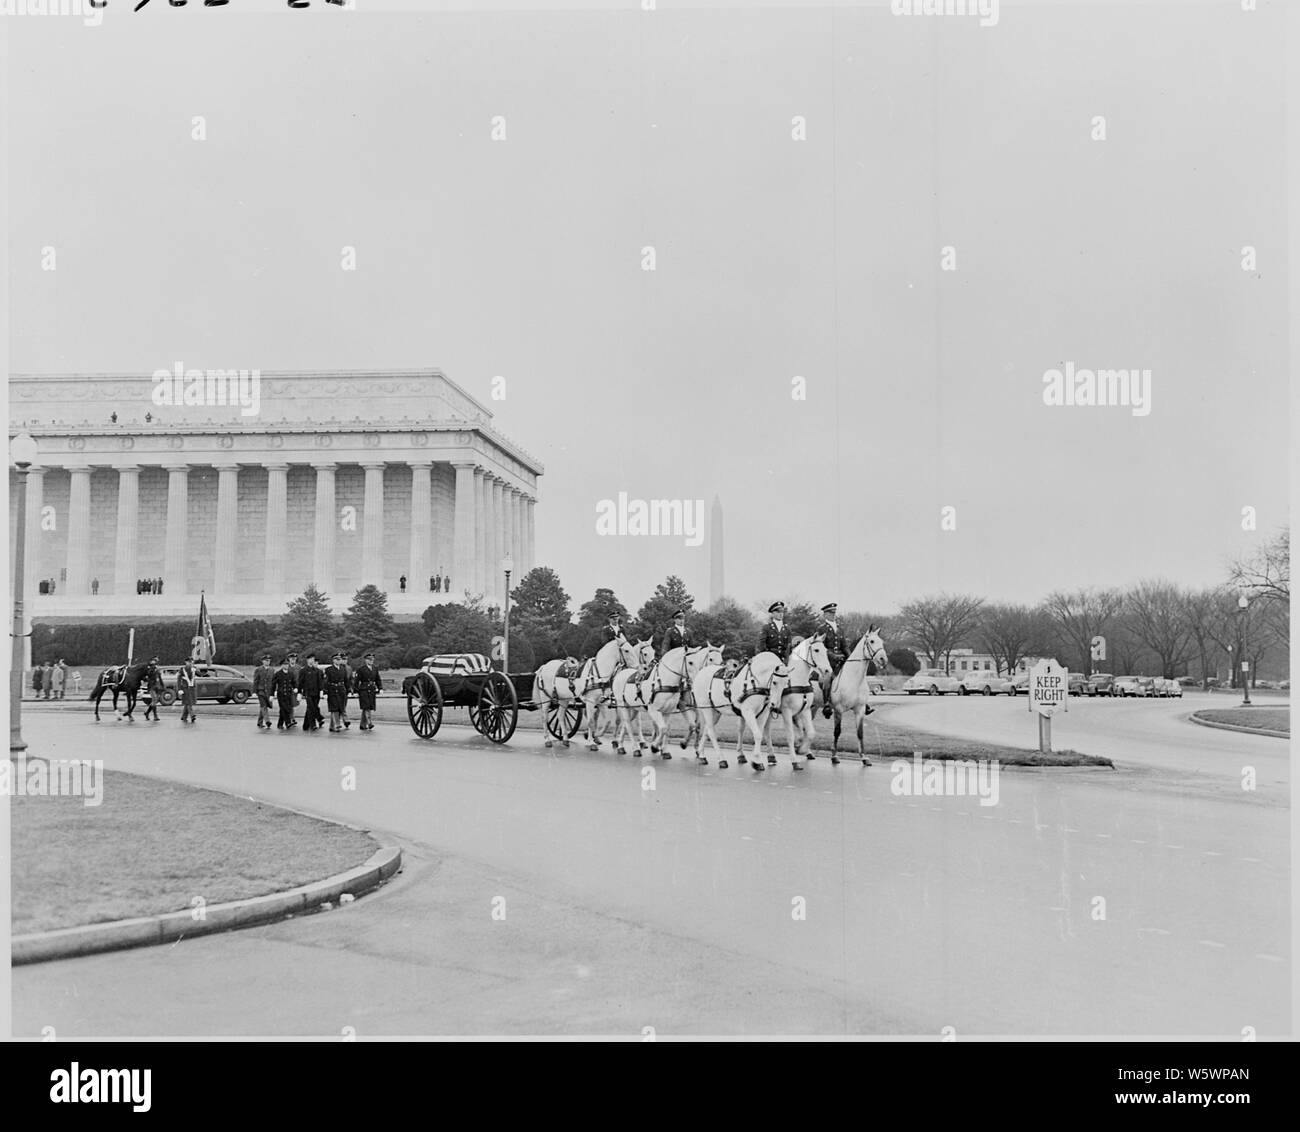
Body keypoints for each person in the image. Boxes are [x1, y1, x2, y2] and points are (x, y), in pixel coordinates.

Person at [817, 602, 849, 718]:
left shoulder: (840, 628)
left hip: (841, 659)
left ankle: (861, 702)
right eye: (830, 613)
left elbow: (844, 646)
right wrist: (833, 656)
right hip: (827, 660)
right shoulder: (821, 629)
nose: (833, 615)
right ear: (825, 615)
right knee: (827, 679)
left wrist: (850, 658)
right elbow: (821, 647)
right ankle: (826, 703)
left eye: (834, 613)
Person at [354, 652, 382, 730]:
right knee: (366, 707)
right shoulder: (361, 669)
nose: (371, 661)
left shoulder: (375, 668)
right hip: (363, 689)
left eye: (372, 659)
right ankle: (369, 723)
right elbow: (356, 681)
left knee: (368, 707)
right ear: (366, 660)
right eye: (369, 659)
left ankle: (362, 725)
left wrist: (380, 688)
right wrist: (355, 691)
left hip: (372, 689)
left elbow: (378, 679)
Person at [299, 654, 326, 732]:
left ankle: (305, 725)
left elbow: (320, 682)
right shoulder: (303, 670)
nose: (312, 661)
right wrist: (299, 692)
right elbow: (301, 682)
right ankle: (312, 724)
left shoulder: (317, 671)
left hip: (316, 692)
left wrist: (321, 690)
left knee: (312, 708)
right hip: (308, 692)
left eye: (313, 659)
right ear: (307, 660)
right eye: (310, 659)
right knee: (311, 708)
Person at [324, 653, 350, 732]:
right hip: (332, 690)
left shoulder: (343, 669)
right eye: (337, 660)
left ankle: (332, 726)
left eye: (339, 660)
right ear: (333, 660)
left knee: (340, 707)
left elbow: (346, 680)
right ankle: (337, 724)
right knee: (334, 708)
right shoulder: (329, 669)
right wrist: (325, 691)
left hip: (341, 690)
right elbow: (326, 681)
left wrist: (348, 690)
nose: (339, 661)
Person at [271, 658, 296, 730]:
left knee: (283, 710)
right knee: (285, 708)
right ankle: (288, 723)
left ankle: (280, 724)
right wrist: (272, 694)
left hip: (288, 694)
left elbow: (294, 682)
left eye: (287, 664)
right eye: (285, 664)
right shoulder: (278, 674)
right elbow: (273, 685)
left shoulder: (291, 673)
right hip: (281, 694)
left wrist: (295, 688)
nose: (286, 666)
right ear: (281, 665)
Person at [253, 654, 275, 729]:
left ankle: (259, 722)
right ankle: (267, 721)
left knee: (264, 707)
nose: (268, 662)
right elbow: (255, 681)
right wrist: (254, 692)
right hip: (261, 691)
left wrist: (274, 691)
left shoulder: (272, 670)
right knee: (263, 706)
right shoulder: (258, 669)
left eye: (269, 661)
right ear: (263, 661)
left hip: (268, 692)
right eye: (266, 660)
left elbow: (273, 682)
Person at [141, 658, 163, 722]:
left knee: (155, 701)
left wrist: (162, 686)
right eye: (154, 661)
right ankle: (155, 716)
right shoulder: (149, 669)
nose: (155, 663)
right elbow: (144, 677)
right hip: (151, 687)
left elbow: (160, 678)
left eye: (156, 662)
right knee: (154, 699)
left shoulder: (157, 669)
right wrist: (148, 679)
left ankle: (147, 713)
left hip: (157, 687)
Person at [178, 658, 198, 724]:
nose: (190, 663)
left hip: (192, 688)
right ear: (185, 662)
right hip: (185, 688)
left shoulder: (194, 668)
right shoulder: (182, 669)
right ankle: (192, 715)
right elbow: (179, 679)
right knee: (189, 702)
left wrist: (196, 670)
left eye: (191, 661)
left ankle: (184, 716)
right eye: (188, 662)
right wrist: (179, 689)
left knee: (187, 702)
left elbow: (201, 674)